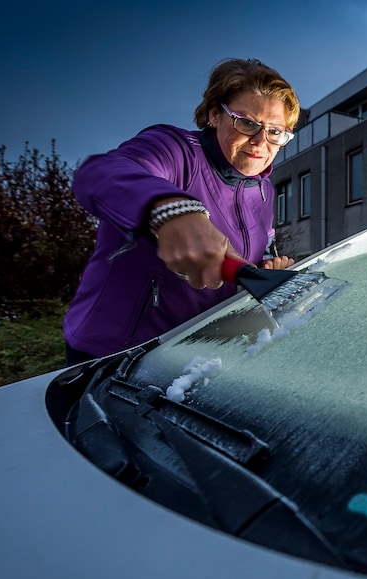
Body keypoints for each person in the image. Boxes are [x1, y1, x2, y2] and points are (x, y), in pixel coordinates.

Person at [64, 58, 299, 365]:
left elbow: (251, 252)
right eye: (247, 123)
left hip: (197, 353)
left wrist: (265, 268)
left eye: (275, 132)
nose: (260, 141)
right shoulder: (175, 150)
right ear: (215, 114)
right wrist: (173, 209)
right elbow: (100, 173)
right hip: (115, 352)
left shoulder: (263, 190)